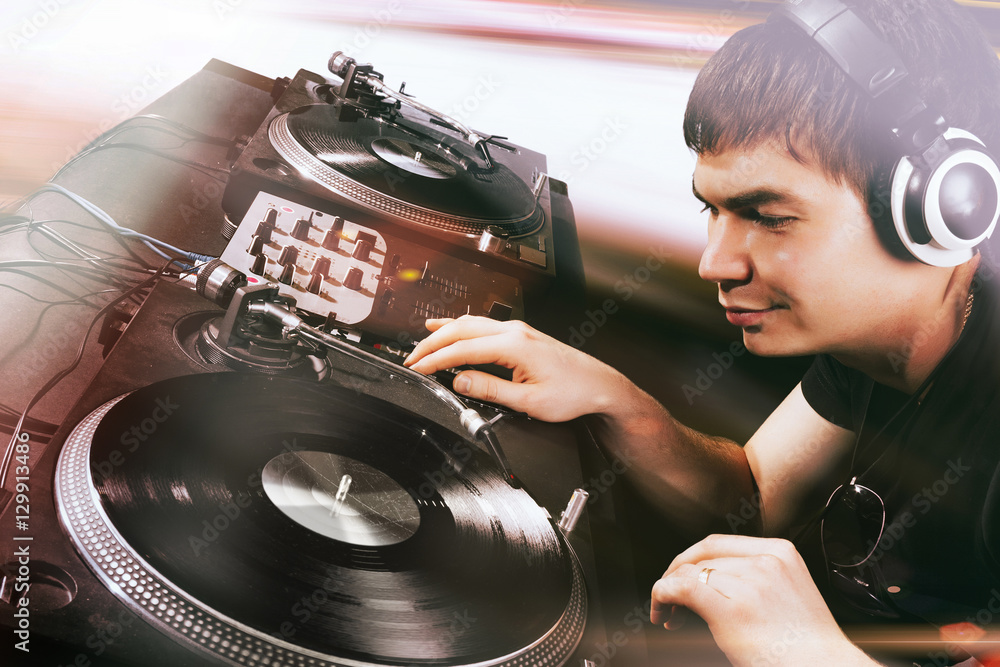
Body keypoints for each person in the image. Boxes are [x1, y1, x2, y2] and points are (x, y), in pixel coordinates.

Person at [405, 0, 1000, 665]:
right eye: (710, 208)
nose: (715, 262)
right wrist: (617, 400)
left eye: (769, 216)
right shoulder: (865, 346)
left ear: (944, 207)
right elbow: (755, 494)